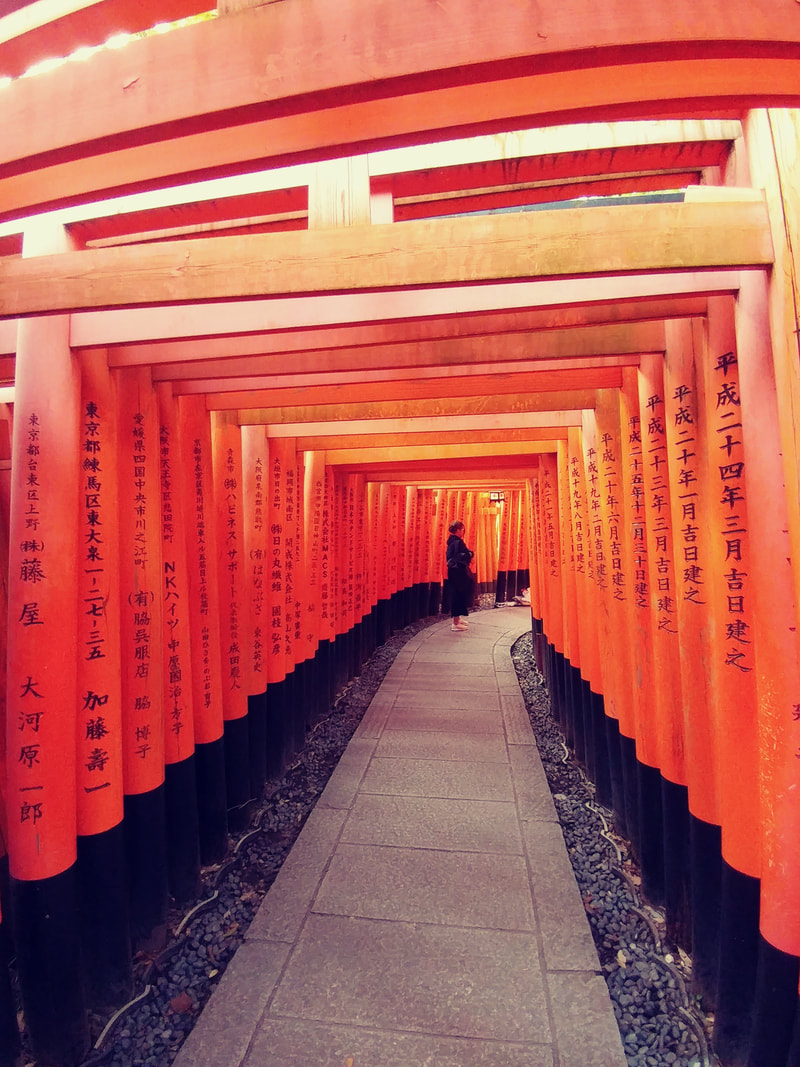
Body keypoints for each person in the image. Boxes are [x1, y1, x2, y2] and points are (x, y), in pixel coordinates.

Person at [446, 520, 474, 631]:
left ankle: (458, 619)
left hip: (455, 572)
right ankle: (455, 623)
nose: (463, 532)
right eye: (462, 530)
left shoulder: (453, 541)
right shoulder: (457, 542)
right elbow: (462, 556)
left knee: (459, 595)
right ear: (458, 530)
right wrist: (470, 554)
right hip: (458, 573)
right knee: (457, 595)